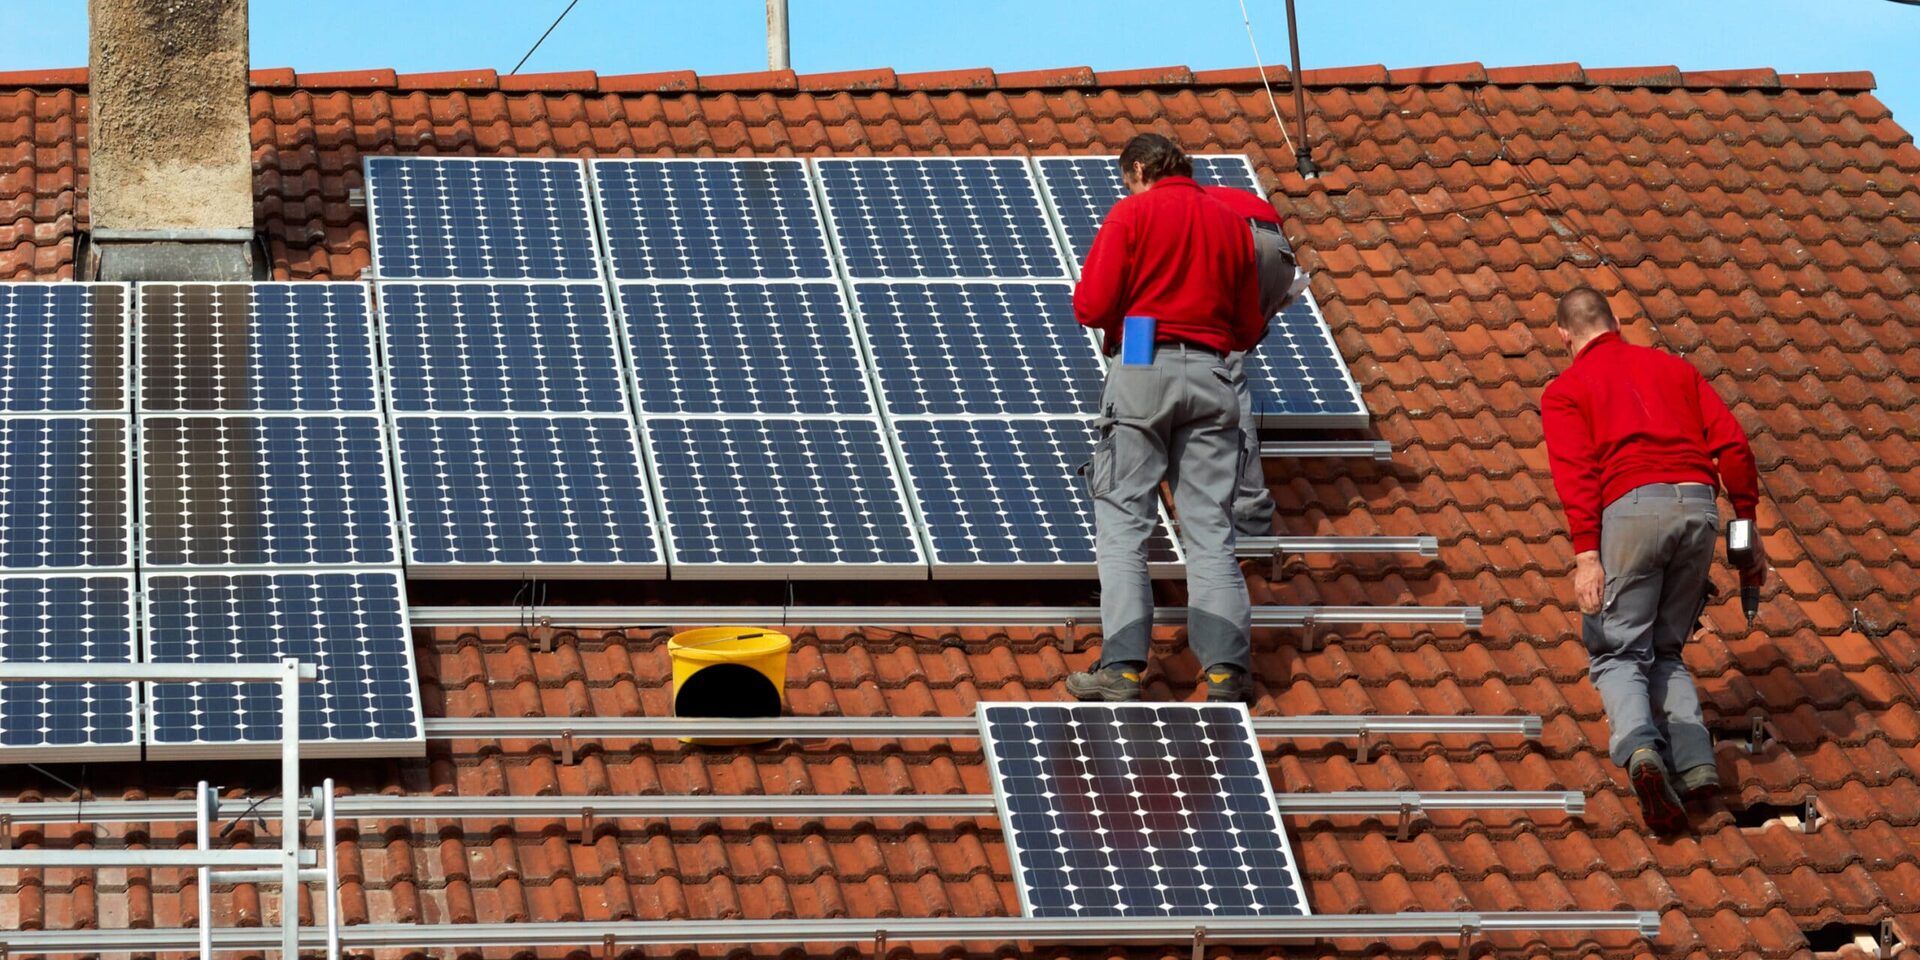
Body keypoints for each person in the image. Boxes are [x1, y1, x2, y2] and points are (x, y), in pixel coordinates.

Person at [1540, 287, 1764, 833]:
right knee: (1666, 647)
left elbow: (1577, 474)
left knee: (1618, 650)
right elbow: (1733, 446)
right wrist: (1747, 521)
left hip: (1631, 510)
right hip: (1698, 507)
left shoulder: (1566, 390)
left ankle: (1642, 751)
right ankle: (1695, 763)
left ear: (1563, 337)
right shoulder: (1674, 370)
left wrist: (1587, 557)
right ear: (1617, 321)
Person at [1064, 134, 1267, 704]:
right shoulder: (1230, 222)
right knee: (1209, 528)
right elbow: (1250, 324)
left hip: (1141, 367)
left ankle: (1123, 668)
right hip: (1213, 376)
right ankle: (1227, 671)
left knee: (1125, 522)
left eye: (1126, 178)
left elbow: (1093, 306)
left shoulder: (1132, 213)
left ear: (1137, 168)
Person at [1200, 184, 1309, 536]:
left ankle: (1248, 508)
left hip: (1233, 241)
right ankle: (1248, 507)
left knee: (1223, 371)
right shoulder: (1190, 193)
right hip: (1277, 249)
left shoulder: (1147, 212)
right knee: (1229, 363)